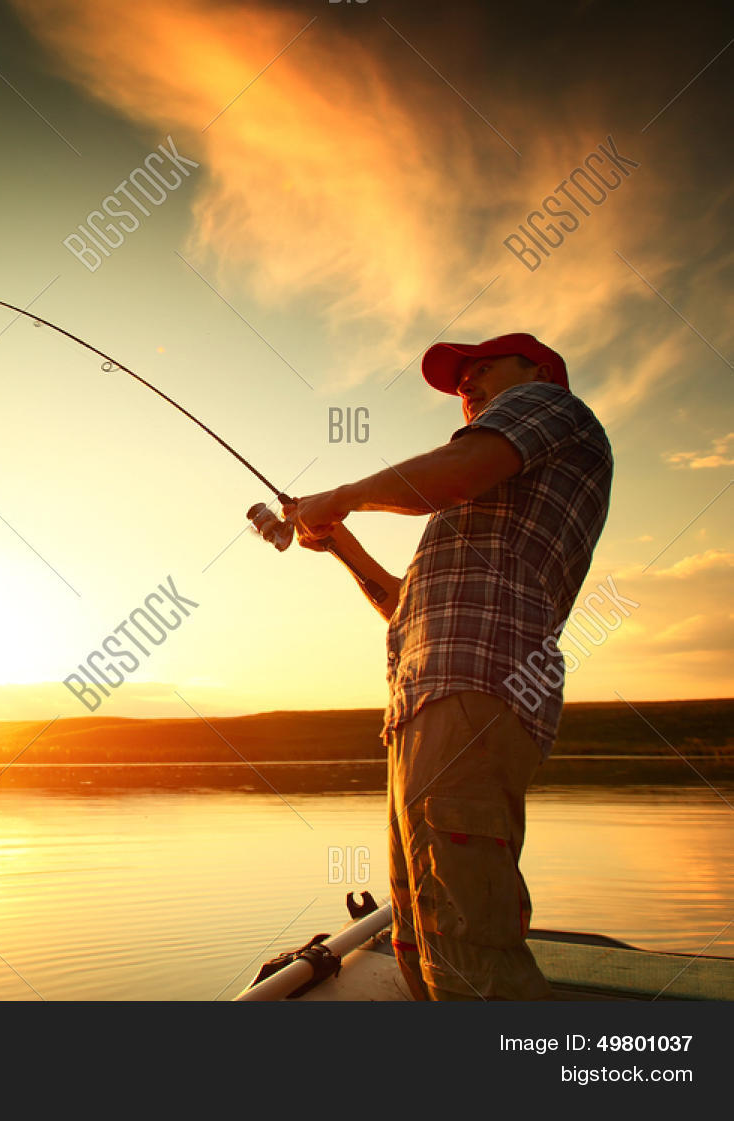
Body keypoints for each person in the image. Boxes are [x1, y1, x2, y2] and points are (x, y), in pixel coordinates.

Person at [256, 333, 612, 1000]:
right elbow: (403, 608)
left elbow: (444, 477)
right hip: (430, 707)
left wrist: (343, 494)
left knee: (466, 942)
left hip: (471, 697)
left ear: (537, 370)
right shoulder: (491, 488)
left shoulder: (548, 406)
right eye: (460, 379)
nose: (467, 384)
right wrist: (339, 542)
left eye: (482, 368)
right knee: (420, 937)